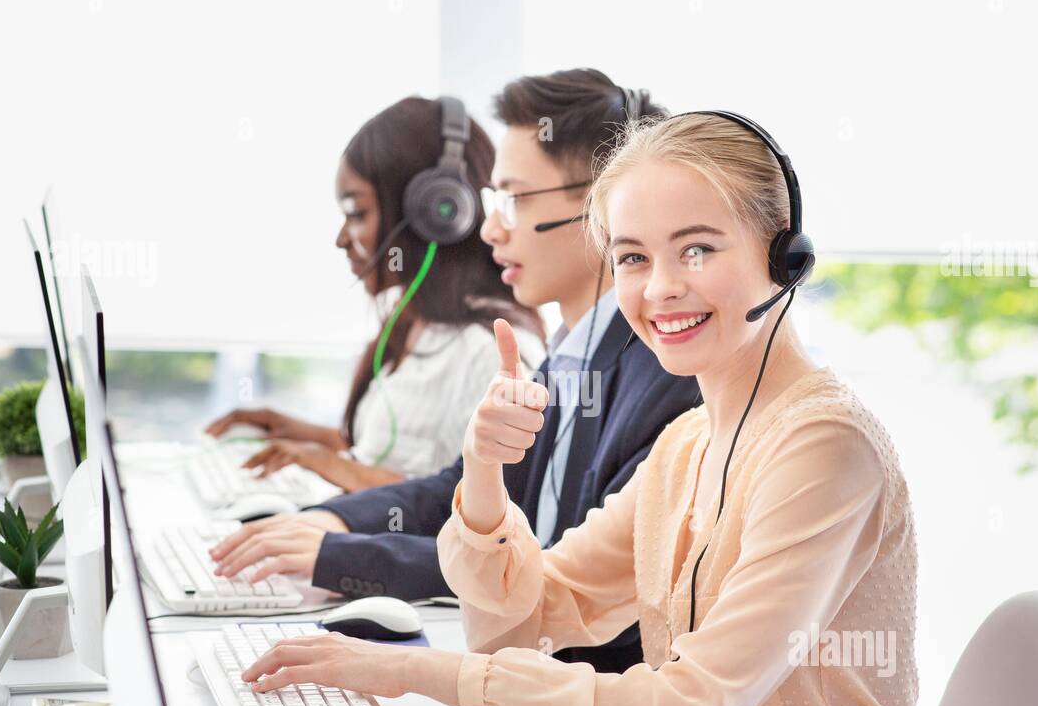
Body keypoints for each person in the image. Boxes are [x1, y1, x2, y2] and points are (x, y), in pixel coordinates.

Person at [237, 110, 980, 706]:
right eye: (632, 257)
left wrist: (410, 673)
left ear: (783, 255)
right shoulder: (689, 443)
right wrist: (486, 474)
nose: (659, 288)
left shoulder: (824, 449)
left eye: (697, 249)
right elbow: (526, 622)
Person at [211, 69, 702, 675]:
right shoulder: (578, 355)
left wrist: (343, 556)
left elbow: (555, 573)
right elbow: (467, 490)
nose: (490, 227)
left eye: (516, 200)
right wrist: (331, 522)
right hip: (528, 680)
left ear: (609, 205)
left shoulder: (673, 384)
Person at [205, 96, 545, 491]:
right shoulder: (414, 324)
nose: (340, 240)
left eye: (357, 214)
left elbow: (478, 509)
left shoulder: (487, 350)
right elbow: (390, 459)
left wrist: (322, 462)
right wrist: (300, 435)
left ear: (435, 212)